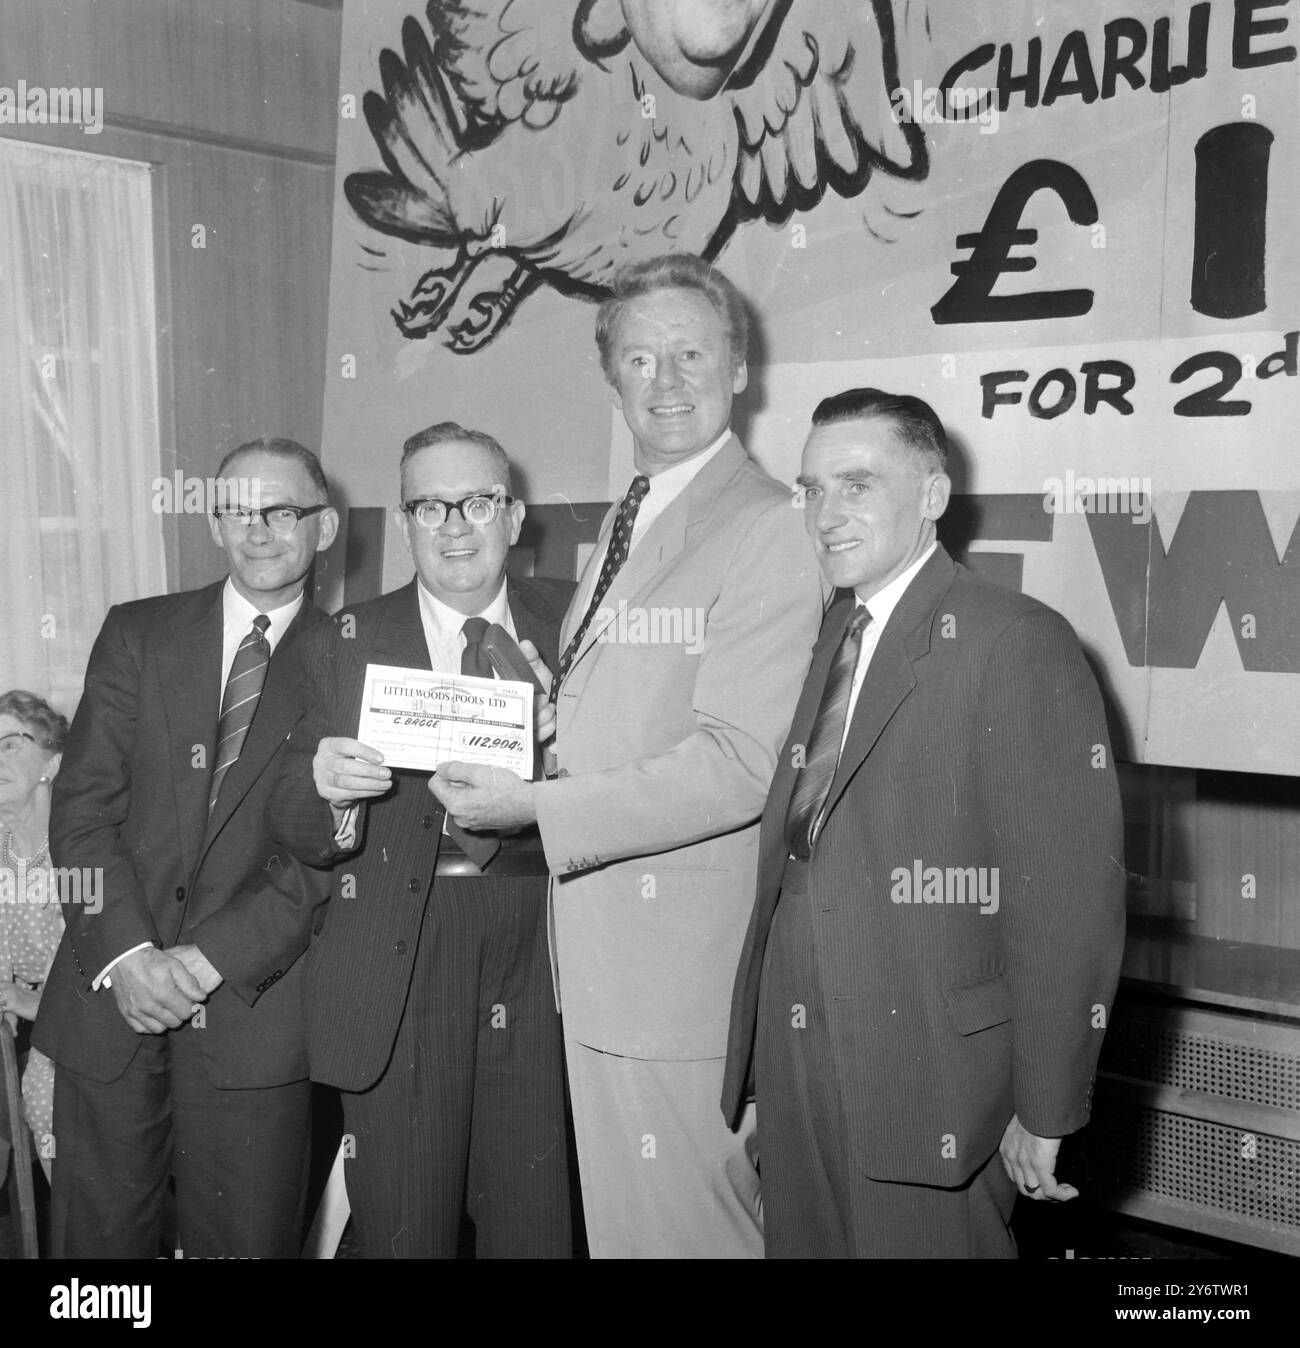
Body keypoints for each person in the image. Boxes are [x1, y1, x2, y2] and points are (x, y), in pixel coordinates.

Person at [430, 254, 823, 1257]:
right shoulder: (630, 511)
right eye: (640, 358)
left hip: (675, 977)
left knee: (685, 1235)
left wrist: (536, 808)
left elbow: (739, 762)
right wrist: (536, 734)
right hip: (606, 962)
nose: (667, 380)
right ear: (615, 381)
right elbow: (629, 712)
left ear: (739, 367)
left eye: (692, 352)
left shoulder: (767, 524)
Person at [722, 388, 1127, 1258]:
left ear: (934, 496)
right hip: (803, 1060)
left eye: (858, 485)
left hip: (932, 1082)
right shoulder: (839, 629)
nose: (826, 515)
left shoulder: (1016, 640)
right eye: (811, 489)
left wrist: (1045, 1106)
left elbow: (1067, 901)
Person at [267, 422, 575, 1259]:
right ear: (404, 523)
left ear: (513, 516)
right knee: (408, 1229)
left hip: (542, 946)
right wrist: (328, 793)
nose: (454, 525)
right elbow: (287, 818)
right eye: (429, 506)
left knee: (537, 1225)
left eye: (476, 502)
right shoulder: (340, 640)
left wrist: (566, 752)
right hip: (399, 957)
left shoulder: (581, 623)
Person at [34, 437, 338, 1258]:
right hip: (110, 1000)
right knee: (96, 1272)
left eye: (284, 510)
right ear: (214, 523)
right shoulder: (138, 633)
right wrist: (131, 953)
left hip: (252, 1016)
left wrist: (205, 961)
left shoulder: (352, 658)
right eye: (238, 510)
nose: (260, 530)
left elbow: (324, 855)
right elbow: (81, 815)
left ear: (328, 527)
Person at [0, 690, 69, 1183]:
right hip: (35, 1037)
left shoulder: (80, 845)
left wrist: (29, 1004)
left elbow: (103, 968)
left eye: (10, 744)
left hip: (99, 1029)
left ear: (52, 762)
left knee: (47, 1094)